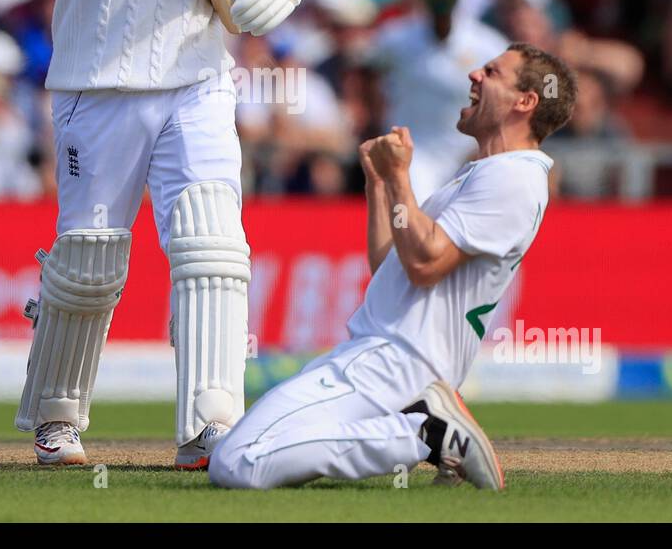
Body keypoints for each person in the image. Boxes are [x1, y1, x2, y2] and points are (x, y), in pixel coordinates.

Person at [15, 0, 306, 469]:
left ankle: (210, 427)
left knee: (212, 245)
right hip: (98, 85)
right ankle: (56, 417)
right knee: (89, 261)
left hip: (199, 82)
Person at [209, 43, 576, 490]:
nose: (474, 75)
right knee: (249, 456)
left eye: (493, 72)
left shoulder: (513, 177)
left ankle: (425, 433)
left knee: (238, 463)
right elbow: (393, 263)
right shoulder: (492, 171)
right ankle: (426, 428)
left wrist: (401, 178)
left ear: (525, 101)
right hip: (390, 359)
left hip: (396, 360)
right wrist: (380, 184)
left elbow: (426, 263)